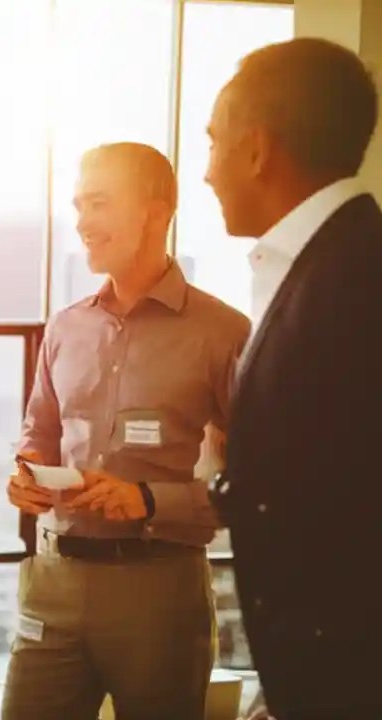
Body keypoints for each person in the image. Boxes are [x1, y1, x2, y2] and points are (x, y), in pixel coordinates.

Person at [2, 143, 250, 719]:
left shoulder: (224, 334)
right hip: (53, 582)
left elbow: (254, 484)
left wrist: (144, 500)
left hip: (159, 591)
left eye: (99, 204)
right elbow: (37, 432)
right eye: (78, 206)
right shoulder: (65, 328)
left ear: (156, 212)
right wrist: (25, 476)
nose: (82, 223)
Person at [206, 38, 382, 719]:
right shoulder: (319, 262)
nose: (208, 172)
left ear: (256, 151)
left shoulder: (356, 279)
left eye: (214, 144)